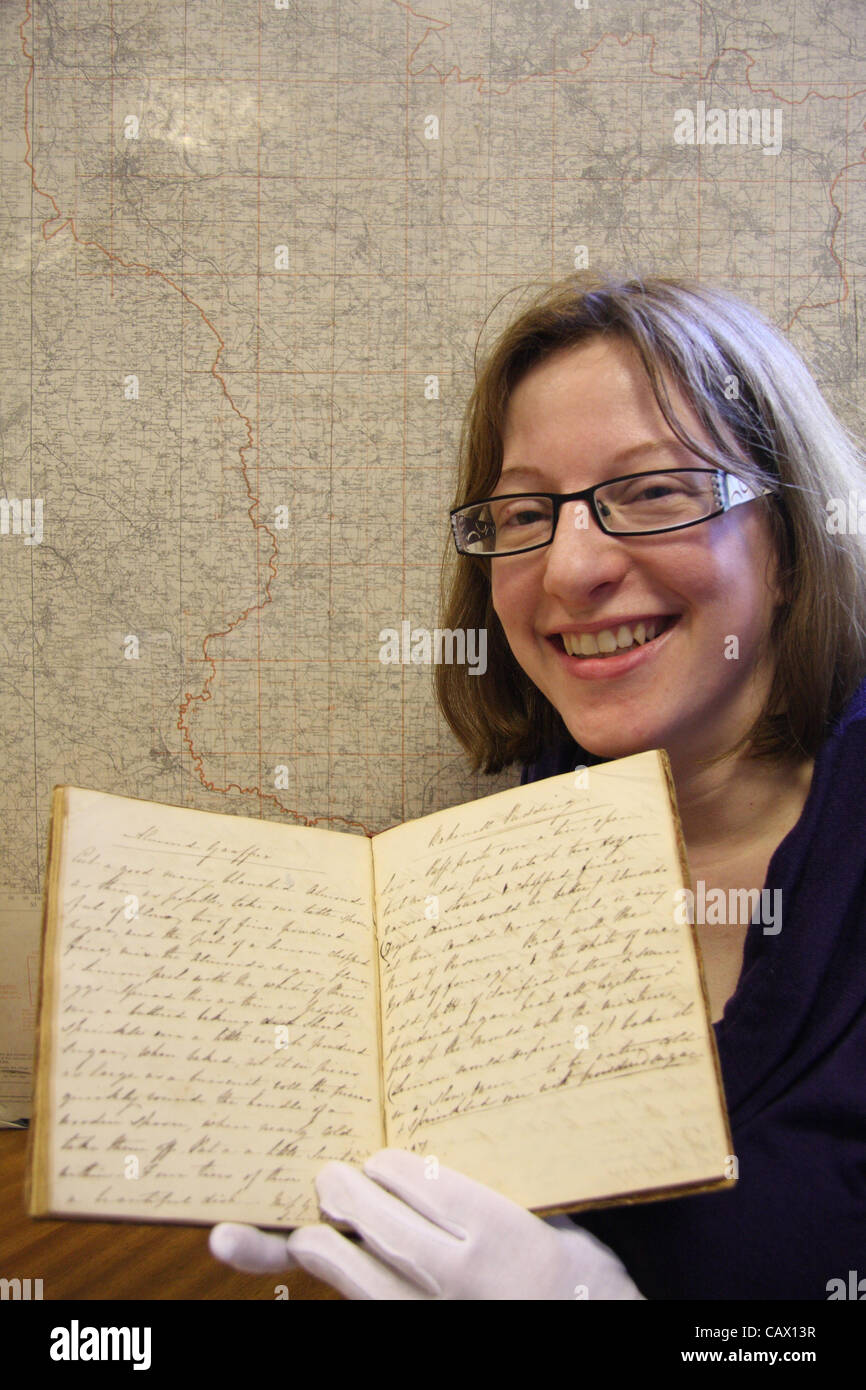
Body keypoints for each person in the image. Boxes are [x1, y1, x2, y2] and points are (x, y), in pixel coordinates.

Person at [210, 271, 866, 1299]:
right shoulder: (480, 880)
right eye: (522, 512)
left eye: (652, 491)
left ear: (784, 545)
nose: (567, 569)